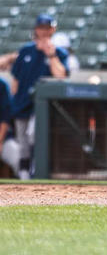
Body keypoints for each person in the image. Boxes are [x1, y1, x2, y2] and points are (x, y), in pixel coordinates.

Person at [11, 14, 69, 180]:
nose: (44, 31)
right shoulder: (25, 50)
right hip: (22, 102)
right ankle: (23, 173)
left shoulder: (59, 53)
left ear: (53, 30)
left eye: (47, 28)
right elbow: (15, 80)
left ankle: (37, 167)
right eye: (41, 28)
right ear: (36, 29)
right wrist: (16, 100)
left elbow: (61, 76)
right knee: (22, 141)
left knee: (34, 134)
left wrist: (51, 55)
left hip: (43, 105)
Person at [0, 77, 20, 176]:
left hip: (4, 139)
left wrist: (0, 141)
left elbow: (5, 117)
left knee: (17, 156)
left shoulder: (1, 85)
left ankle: (26, 184)